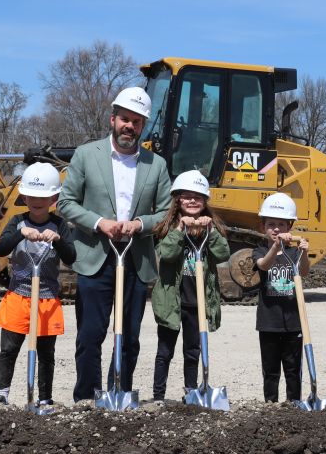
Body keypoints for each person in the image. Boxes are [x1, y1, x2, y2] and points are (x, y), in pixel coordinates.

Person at [58, 87, 172, 404]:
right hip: (95, 258)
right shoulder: (86, 155)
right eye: (125, 119)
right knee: (90, 335)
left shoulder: (156, 165)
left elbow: (166, 213)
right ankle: (87, 398)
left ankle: (118, 395)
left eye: (136, 122)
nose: (129, 126)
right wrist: (99, 222)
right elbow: (66, 203)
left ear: (143, 125)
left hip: (135, 259)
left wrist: (140, 224)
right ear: (113, 119)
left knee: (129, 337)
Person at [0, 163, 76, 406]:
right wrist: (21, 233)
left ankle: (45, 398)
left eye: (43, 197)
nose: (37, 201)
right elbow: (1, 249)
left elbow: (71, 257)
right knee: (9, 349)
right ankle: (1, 394)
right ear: (24, 197)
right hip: (18, 295)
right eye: (32, 196)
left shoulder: (59, 225)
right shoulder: (17, 221)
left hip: (47, 299)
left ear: (53, 199)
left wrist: (58, 240)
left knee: (46, 353)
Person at [150, 170, 230, 402]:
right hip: (171, 302)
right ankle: (158, 397)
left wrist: (210, 230)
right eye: (186, 196)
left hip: (198, 303)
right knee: (164, 352)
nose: (192, 201)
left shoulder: (210, 228)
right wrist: (179, 229)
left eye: (198, 197)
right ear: (178, 200)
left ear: (205, 201)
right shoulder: (168, 227)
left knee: (193, 352)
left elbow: (223, 254)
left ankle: (192, 394)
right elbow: (167, 254)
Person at [254, 193, 306, 403]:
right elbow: (264, 265)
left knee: (293, 369)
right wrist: (275, 247)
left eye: (281, 225)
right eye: (271, 224)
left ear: (289, 226)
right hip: (269, 322)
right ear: (263, 227)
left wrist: (304, 253)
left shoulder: (294, 253)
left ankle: (294, 403)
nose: (276, 229)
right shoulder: (259, 250)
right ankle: (271, 404)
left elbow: (303, 272)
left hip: (294, 322)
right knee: (271, 370)